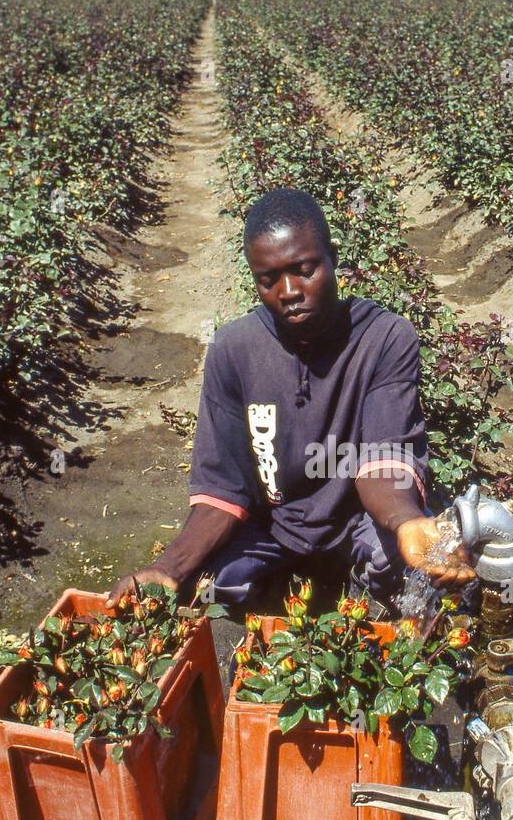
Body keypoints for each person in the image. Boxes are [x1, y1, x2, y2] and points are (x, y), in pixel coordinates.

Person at [109, 188, 474, 614]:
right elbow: (224, 488)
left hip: (360, 521)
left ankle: (362, 583)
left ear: (333, 257)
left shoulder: (383, 338)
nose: (288, 291)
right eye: (268, 280)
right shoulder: (234, 349)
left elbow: (384, 459)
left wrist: (407, 522)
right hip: (274, 528)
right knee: (221, 590)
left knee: (428, 585)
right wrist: (169, 568)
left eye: (305, 269)